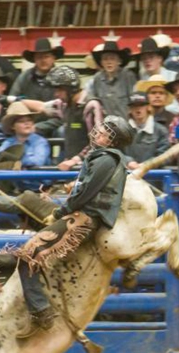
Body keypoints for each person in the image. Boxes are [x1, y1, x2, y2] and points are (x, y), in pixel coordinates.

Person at [16, 116, 135, 328]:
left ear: (112, 140)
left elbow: (85, 195)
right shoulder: (103, 159)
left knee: (28, 255)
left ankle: (41, 310)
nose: (99, 131)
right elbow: (84, 191)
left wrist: (60, 211)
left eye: (106, 131)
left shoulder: (106, 160)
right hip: (84, 218)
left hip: (82, 221)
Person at [0, 102, 51, 191]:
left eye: (29, 120)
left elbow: (37, 162)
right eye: (21, 121)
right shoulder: (9, 142)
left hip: (40, 189)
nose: (27, 124)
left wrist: (14, 161)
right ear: (13, 126)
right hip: (16, 189)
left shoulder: (40, 142)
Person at [88, 41, 137, 118]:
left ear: (119, 61)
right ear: (101, 62)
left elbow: (135, 101)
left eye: (112, 58)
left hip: (126, 124)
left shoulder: (128, 76)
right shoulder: (97, 78)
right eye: (105, 59)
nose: (109, 62)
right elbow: (93, 99)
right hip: (106, 126)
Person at [125, 93, 169, 168]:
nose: (138, 109)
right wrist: (128, 161)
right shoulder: (123, 130)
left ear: (148, 107)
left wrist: (147, 165)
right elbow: (117, 152)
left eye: (141, 105)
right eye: (134, 106)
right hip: (128, 175)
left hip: (153, 176)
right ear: (130, 109)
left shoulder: (161, 130)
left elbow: (165, 156)